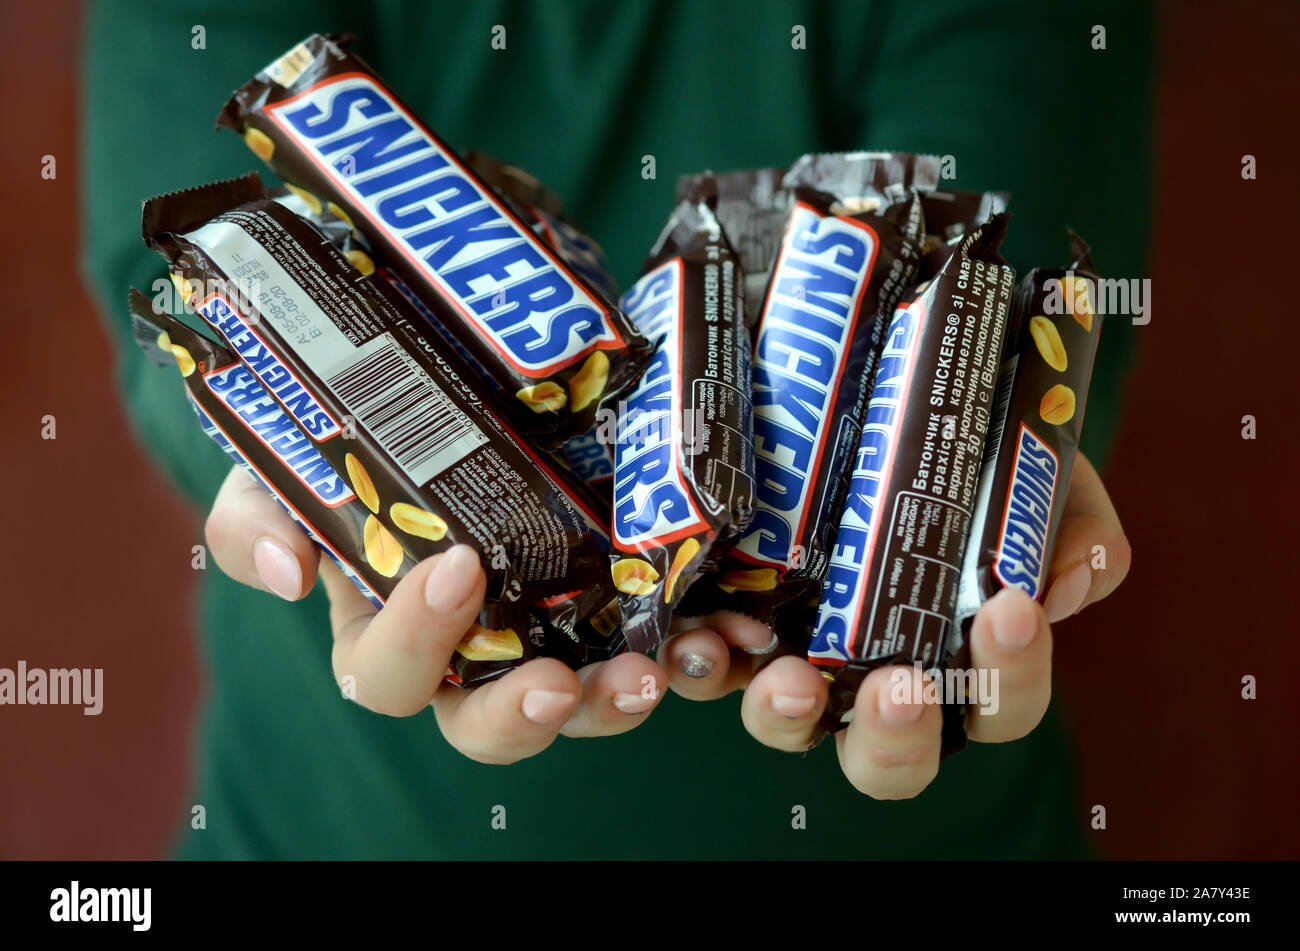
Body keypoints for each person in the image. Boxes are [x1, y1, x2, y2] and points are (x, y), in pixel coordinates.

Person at [83, 0, 1147, 858]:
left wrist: (1010, 463)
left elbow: (994, 269)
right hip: (328, 821)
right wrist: (293, 479)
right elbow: (175, 286)